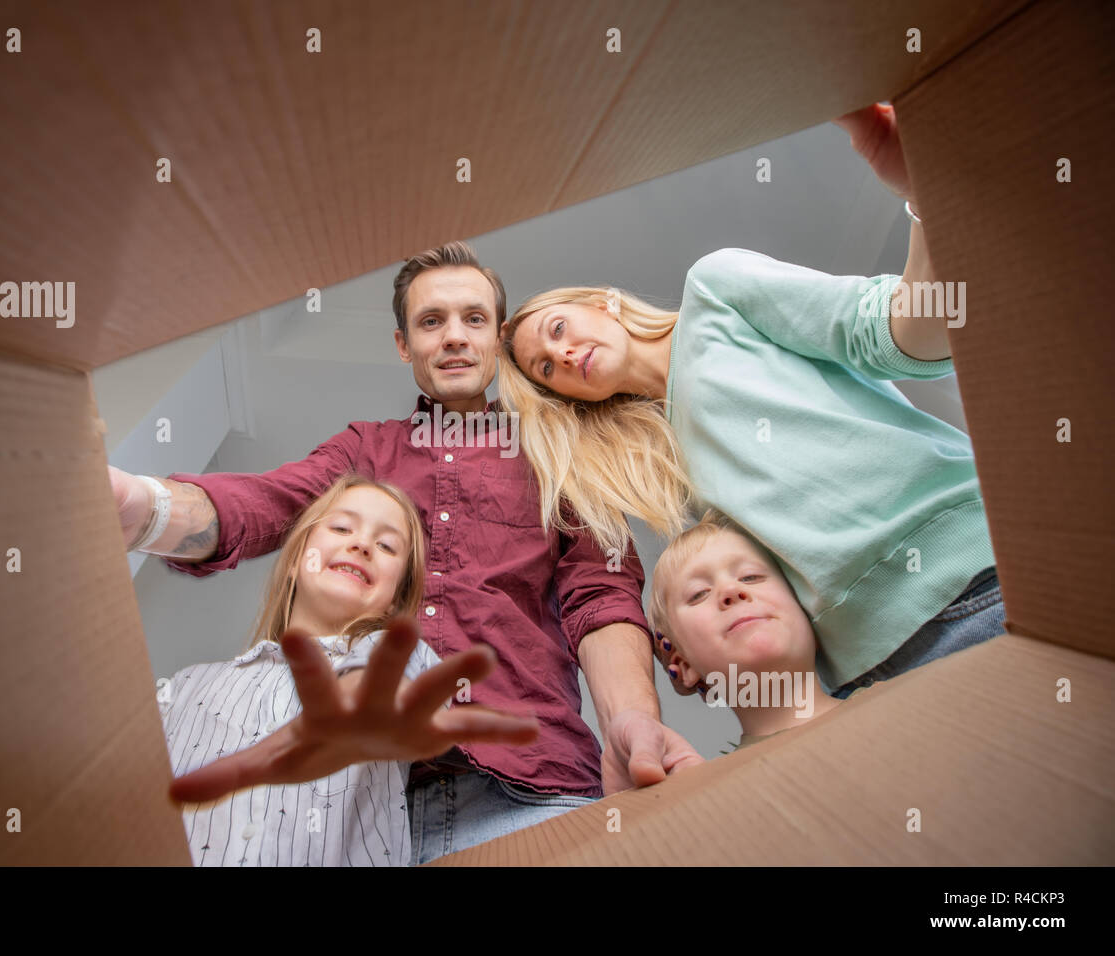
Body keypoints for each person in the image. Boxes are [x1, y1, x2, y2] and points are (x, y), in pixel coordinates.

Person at [112, 241, 702, 865]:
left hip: (534, 794)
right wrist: (143, 509)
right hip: (354, 813)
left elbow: (601, 600)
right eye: (431, 321)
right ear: (403, 345)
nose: (453, 337)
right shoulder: (363, 449)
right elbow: (262, 503)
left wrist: (631, 722)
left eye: (473, 319)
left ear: (499, 338)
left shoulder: (559, 454)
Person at [498, 104, 1004, 698]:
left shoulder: (716, 291)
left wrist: (925, 193)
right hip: (870, 668)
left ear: (601, 303)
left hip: (981, 579)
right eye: (545, 370)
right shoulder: (664, 465)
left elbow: (898, 335)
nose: (562, 357)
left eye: (557, 330)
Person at [160, 474, 538, 866]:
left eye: (387, 546)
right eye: (341, 527)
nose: (361, 544)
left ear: (394, 601)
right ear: (294, 561)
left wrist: (357, 701)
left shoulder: (399, 654)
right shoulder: (188, 684)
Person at [647, 510, 850, 750]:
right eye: (699, 593)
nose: (731, 590)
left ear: (807, 609)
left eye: (750, 576)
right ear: (683, 665)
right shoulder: (718, 786)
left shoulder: (902, 698)